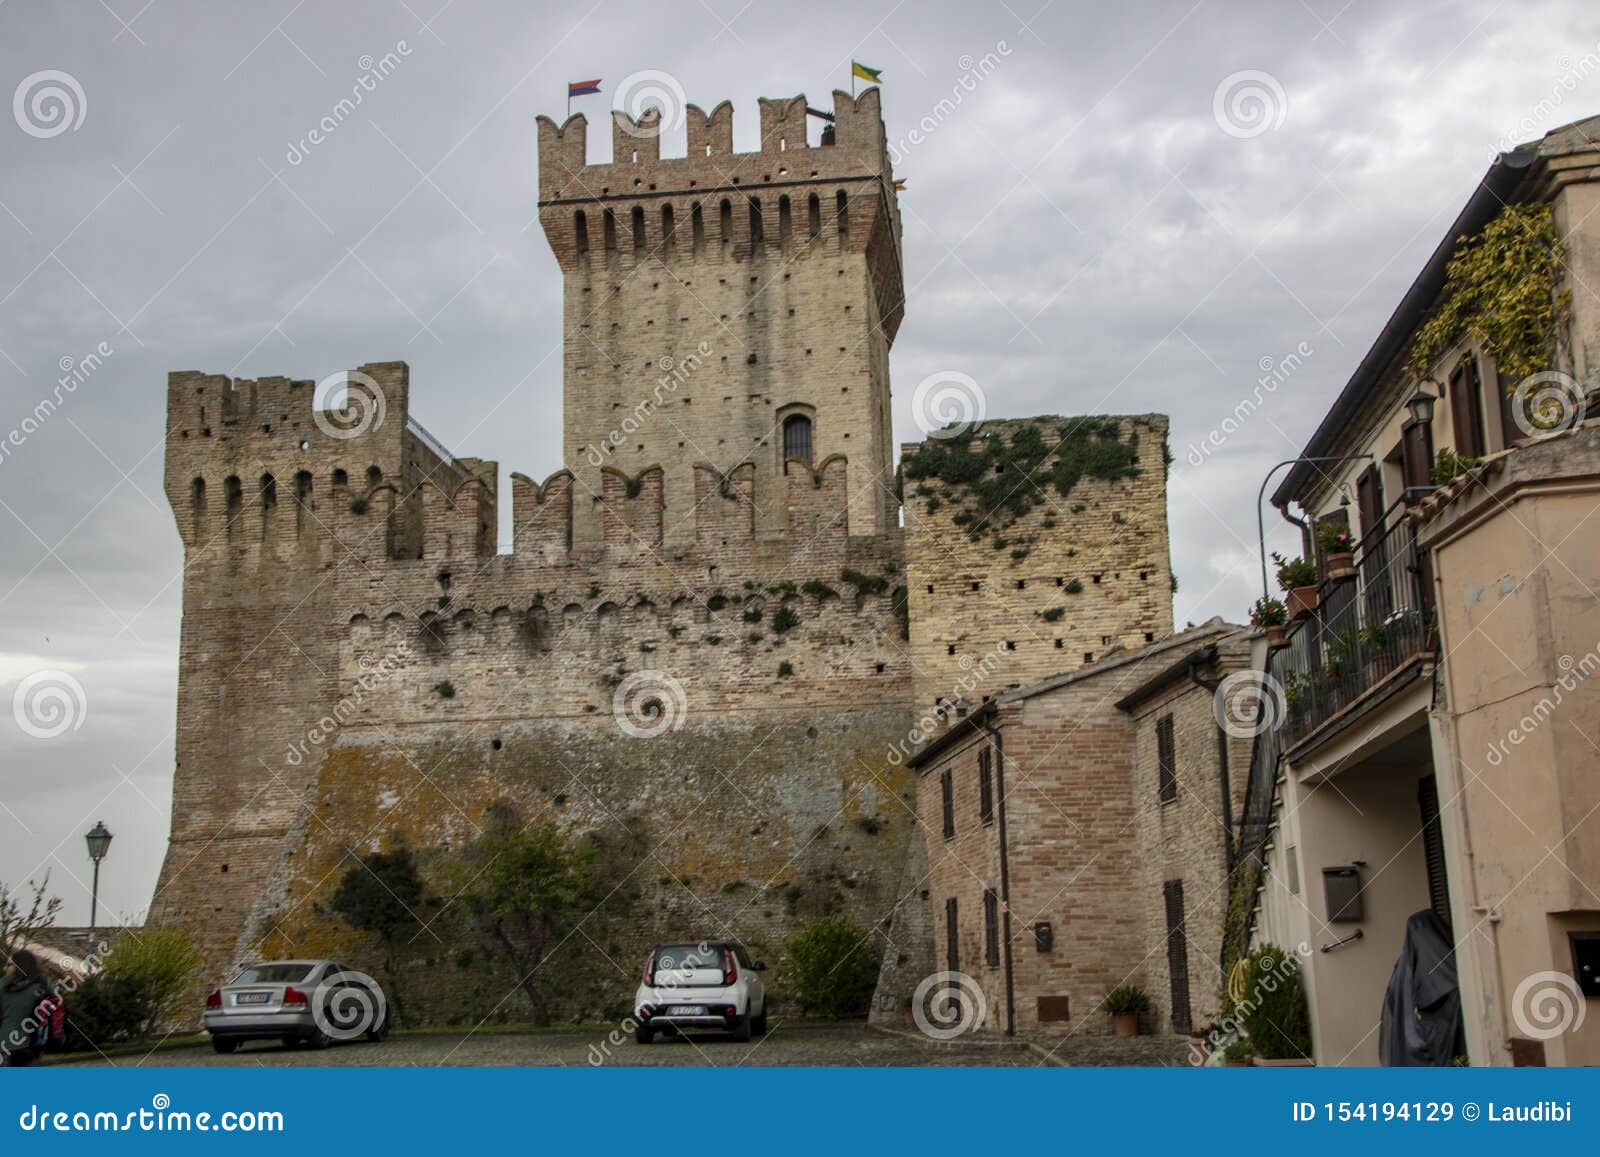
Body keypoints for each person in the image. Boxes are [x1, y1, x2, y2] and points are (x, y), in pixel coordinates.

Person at [1, 949, 52, 1067]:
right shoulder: (43, 987)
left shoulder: (2, 987)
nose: (4, 968)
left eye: (9, 965)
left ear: (20, 966)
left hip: (6, 1046)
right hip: (32, 1048)